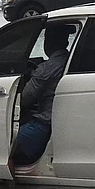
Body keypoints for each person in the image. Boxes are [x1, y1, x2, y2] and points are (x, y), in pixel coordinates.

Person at [9, 26, 71, 174]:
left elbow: (23, 101)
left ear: (47, 44)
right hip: (59, 121)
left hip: (44, 125)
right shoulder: (70, 62)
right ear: (66, 42)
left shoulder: (47, 68)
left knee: (1, 146)